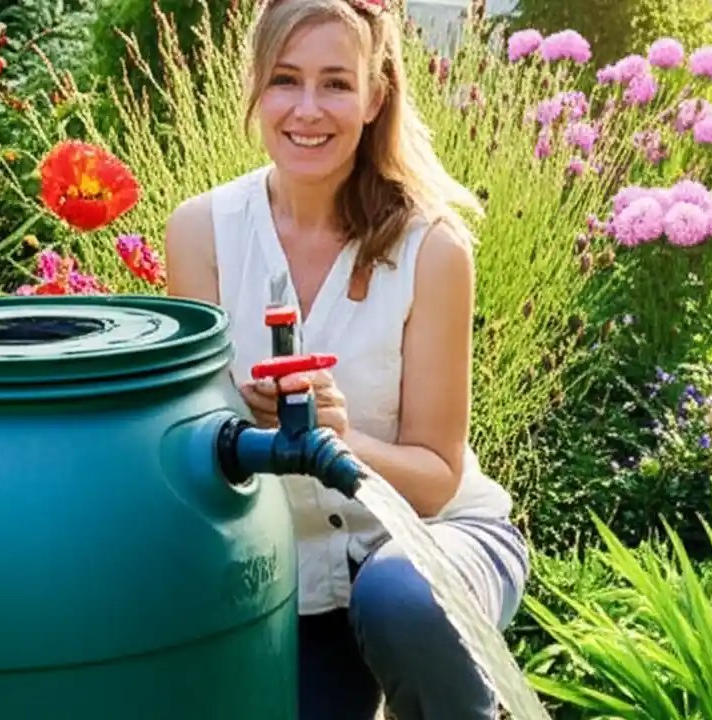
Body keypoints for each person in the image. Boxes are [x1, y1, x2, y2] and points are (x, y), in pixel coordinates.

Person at [163, 0, 530, 717]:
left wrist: (340, 440)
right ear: (257, 91)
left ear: (375, 95)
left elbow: (432, 479)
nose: (308, 109)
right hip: (293, 578)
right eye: (285, 80)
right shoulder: (202, 232)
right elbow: (197, 454)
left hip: (433, 544)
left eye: (336, 82)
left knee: (403, 597)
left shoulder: (432, 248)